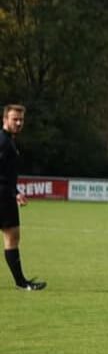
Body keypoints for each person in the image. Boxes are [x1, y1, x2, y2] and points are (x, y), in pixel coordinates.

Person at [0, 104, 46, 291]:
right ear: (5, 120)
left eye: (21, 119)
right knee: (12, 237)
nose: (19, 123)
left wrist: (16, 191)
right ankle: (21, 282)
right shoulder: (3, 142)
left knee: (12, 236)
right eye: (14, 119)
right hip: (2, 196)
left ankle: (21, 282)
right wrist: (12, 192)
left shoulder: (8, 140)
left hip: (6, 194)